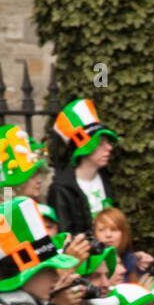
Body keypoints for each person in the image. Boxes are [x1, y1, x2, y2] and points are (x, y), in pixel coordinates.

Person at [47, 98, 120, 237]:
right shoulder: (61, 188)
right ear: (84, 149)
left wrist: (129, 256)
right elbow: (65, 237)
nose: (109, 148)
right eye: (100, 144)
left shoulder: (106, 177)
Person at [93, 207, 154, 279]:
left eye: (114, 229)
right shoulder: (86, 266)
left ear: (123, 234)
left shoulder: (133, 263)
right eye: (102, 230)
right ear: (95, 234)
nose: (108, 235)